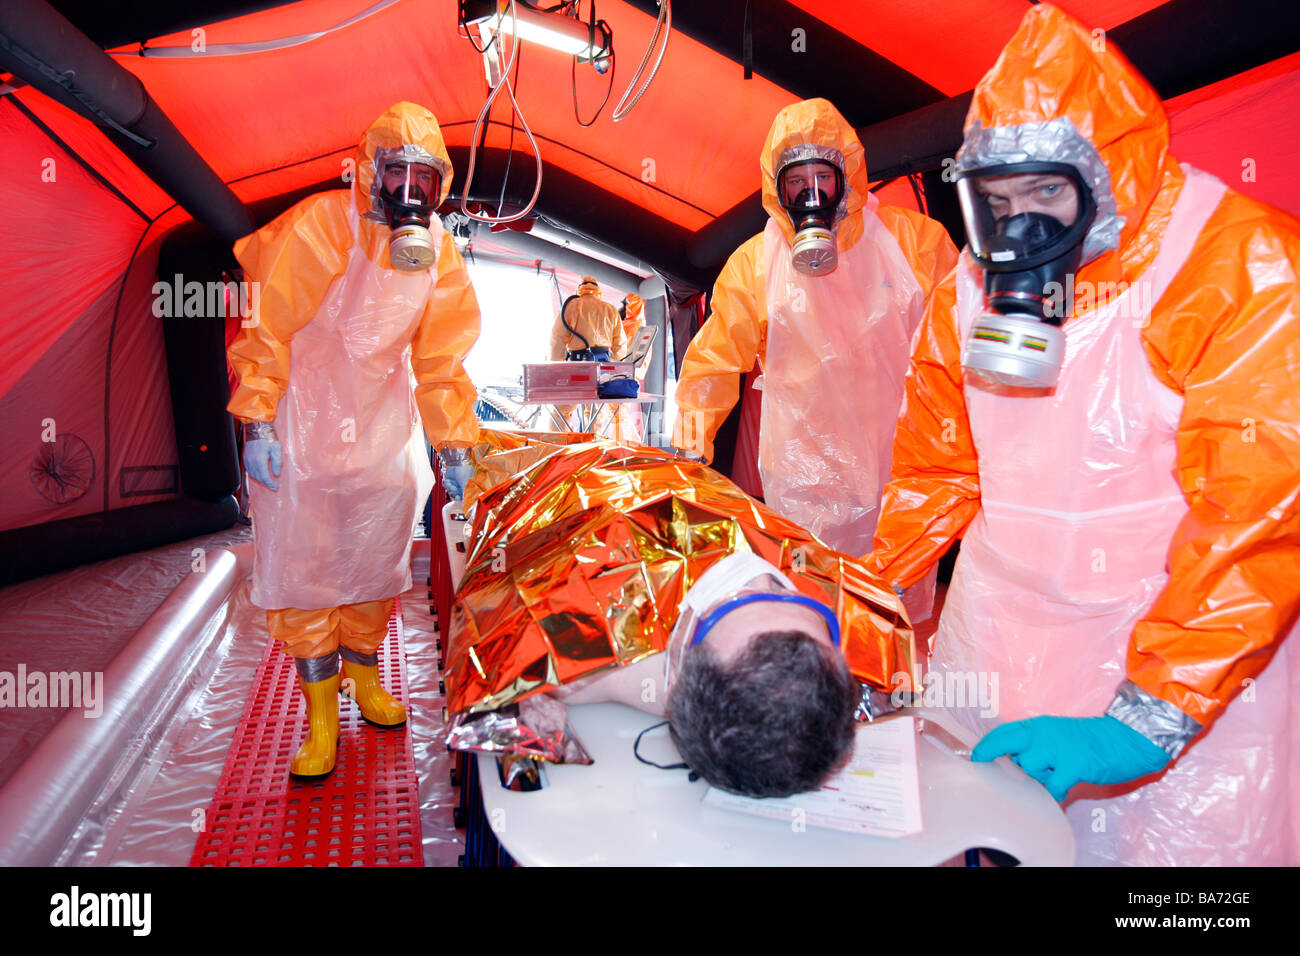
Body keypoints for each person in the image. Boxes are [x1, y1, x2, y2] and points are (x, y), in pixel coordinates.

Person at [866, 4, 1299, 865]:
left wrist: (1149, 716)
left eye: (1046, 198)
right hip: (996, 637)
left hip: (1173, 651)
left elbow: (1256, 519)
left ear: (1109, 178)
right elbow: (934, 470)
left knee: (1169, 894)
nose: (1018, 233)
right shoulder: (967, 286)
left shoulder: (1239, 267)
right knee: (984, 841)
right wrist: (848, 596)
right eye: (996, 202)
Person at [443, 434, 918, 798]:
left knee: (504, 458)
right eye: (785, 593)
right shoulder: (851, 605)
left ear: (674, 681)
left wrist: (577, 689)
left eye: (735, 604)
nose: (753, 575)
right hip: (630, 469)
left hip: (575, 483)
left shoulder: (575, 632)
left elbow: (491, 644)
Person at [228, 102, 481, 781]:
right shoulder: (319, 226)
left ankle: (366, 680)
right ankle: (318, 718)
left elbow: (442, 360)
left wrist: (454, 447)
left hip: (379, 433)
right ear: (369, 171)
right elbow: (266, 331)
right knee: (304, 570)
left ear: (441, 186)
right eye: (395, 172)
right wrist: (255, 420)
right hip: (300, 434)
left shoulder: (438, 254)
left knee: (374, 562)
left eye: (424, 180)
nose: (409, 192)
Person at [670, 98, 959, 572]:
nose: (812, 194)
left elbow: (958, 333)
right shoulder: (756, 264)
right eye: (797, 182)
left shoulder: (915, 242)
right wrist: (689, 448)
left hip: (902, 467)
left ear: (846, 174)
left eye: (822, 177)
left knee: (893, 606)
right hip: (805, 475)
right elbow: (713, 361)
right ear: (777, 189)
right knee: (815, 599)